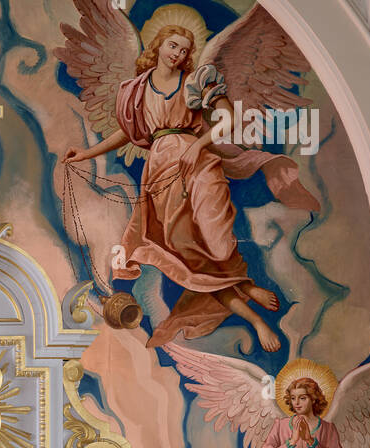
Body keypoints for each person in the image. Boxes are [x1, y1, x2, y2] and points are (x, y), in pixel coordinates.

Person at [63, 24, 317, 349]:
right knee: (190, 256)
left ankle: (245, 289)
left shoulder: (197, 81)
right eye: (173, 46)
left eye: (184, 50)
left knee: (219, 242)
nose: (178, 54)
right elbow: (126, 132)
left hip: (198, 165)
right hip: (160, 174)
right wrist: (84, 154)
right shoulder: (137, 90)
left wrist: (198, 146)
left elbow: (228, 119)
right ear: (158, 45)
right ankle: (251, 305)